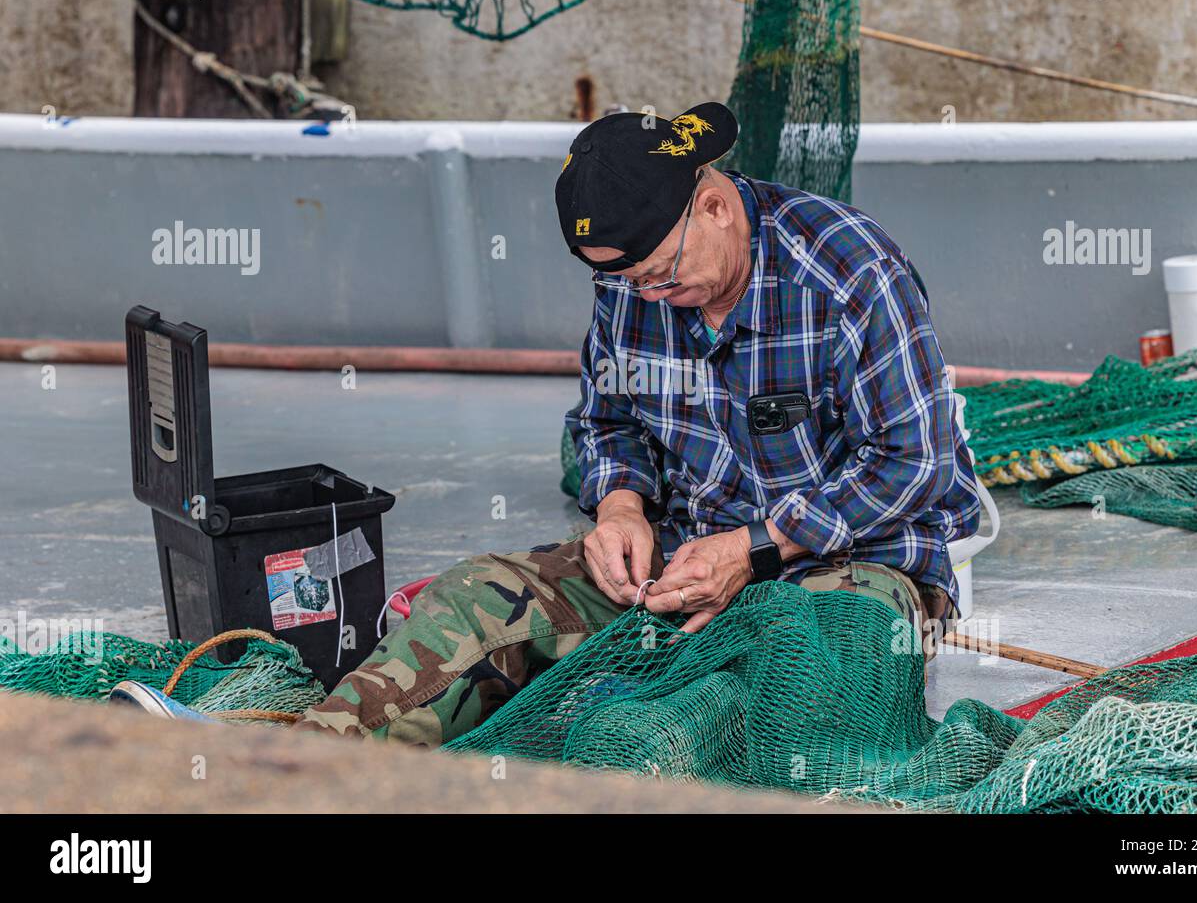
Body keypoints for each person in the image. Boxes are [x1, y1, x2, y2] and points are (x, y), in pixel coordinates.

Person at [295, 101, 980, 745]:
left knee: (799, 688)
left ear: (714, 207)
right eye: (629, 283)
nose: (648, 296)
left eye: (659, 276)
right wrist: (621, 511)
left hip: (850, 567)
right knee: (473, 604)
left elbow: (913, 465)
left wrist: (755, 550)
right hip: (684, 553)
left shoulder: (852, 272)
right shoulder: (632, 285)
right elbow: (606, 419)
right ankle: (308, 768)